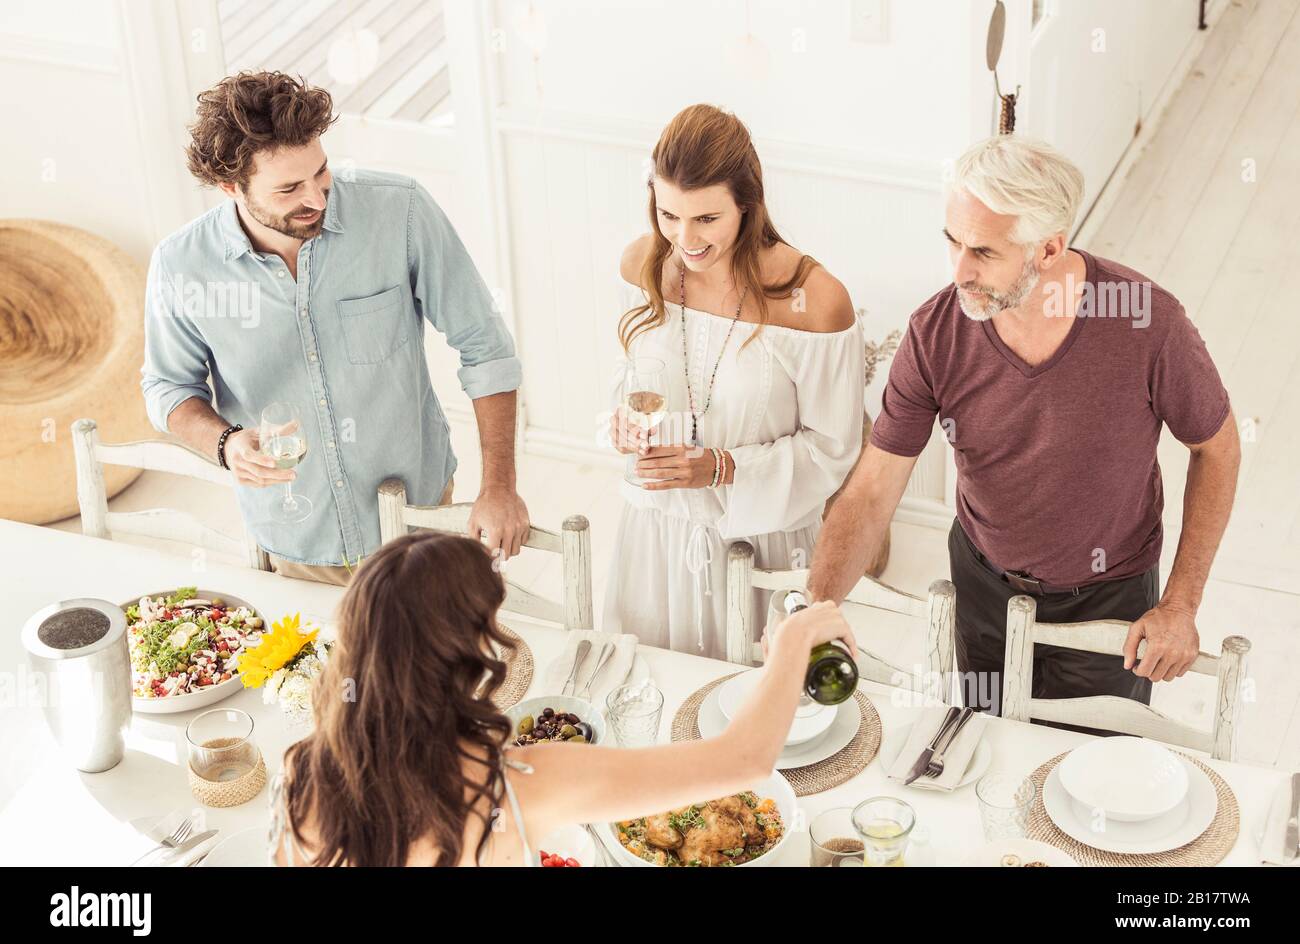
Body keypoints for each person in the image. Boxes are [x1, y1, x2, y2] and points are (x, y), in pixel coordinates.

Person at [808, 136, 1239, 730]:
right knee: (983, 752)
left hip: (1110, 603)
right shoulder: (935, 332)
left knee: (1089, 779)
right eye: (953, 242)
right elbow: (872, 489)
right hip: (984, 587)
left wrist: (1181, 604)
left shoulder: (1148, 323)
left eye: (983, 251)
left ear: (1048, 248)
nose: (959, 271)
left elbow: (1216, 449)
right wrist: (817, 607)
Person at [140, 71, 529, 584]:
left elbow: (486, 348)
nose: (318, 199)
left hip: (417, 522)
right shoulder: (182, 265)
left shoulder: (400, 212)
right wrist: (226, 442)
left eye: (321, 172)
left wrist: (498, 485)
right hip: (295, 537)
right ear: (231, 187)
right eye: (289, 189)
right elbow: (167, 387)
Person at [269, 529, 854, 866]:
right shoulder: (519, 782)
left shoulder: (301, 771)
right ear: (466, 653)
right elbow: (741, 762)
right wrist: (791, 645)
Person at [603, 104, 866, 659]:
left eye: (706, 219)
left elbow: (834, 450)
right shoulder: (644, 263)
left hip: (762, 547)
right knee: (653, 704)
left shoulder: (813, 302)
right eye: (668, 214)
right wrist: (620, 422)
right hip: (655, 536)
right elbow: (629, 379)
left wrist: (723, 468)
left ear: (748, 205)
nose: (684, 240)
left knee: (760, 714)